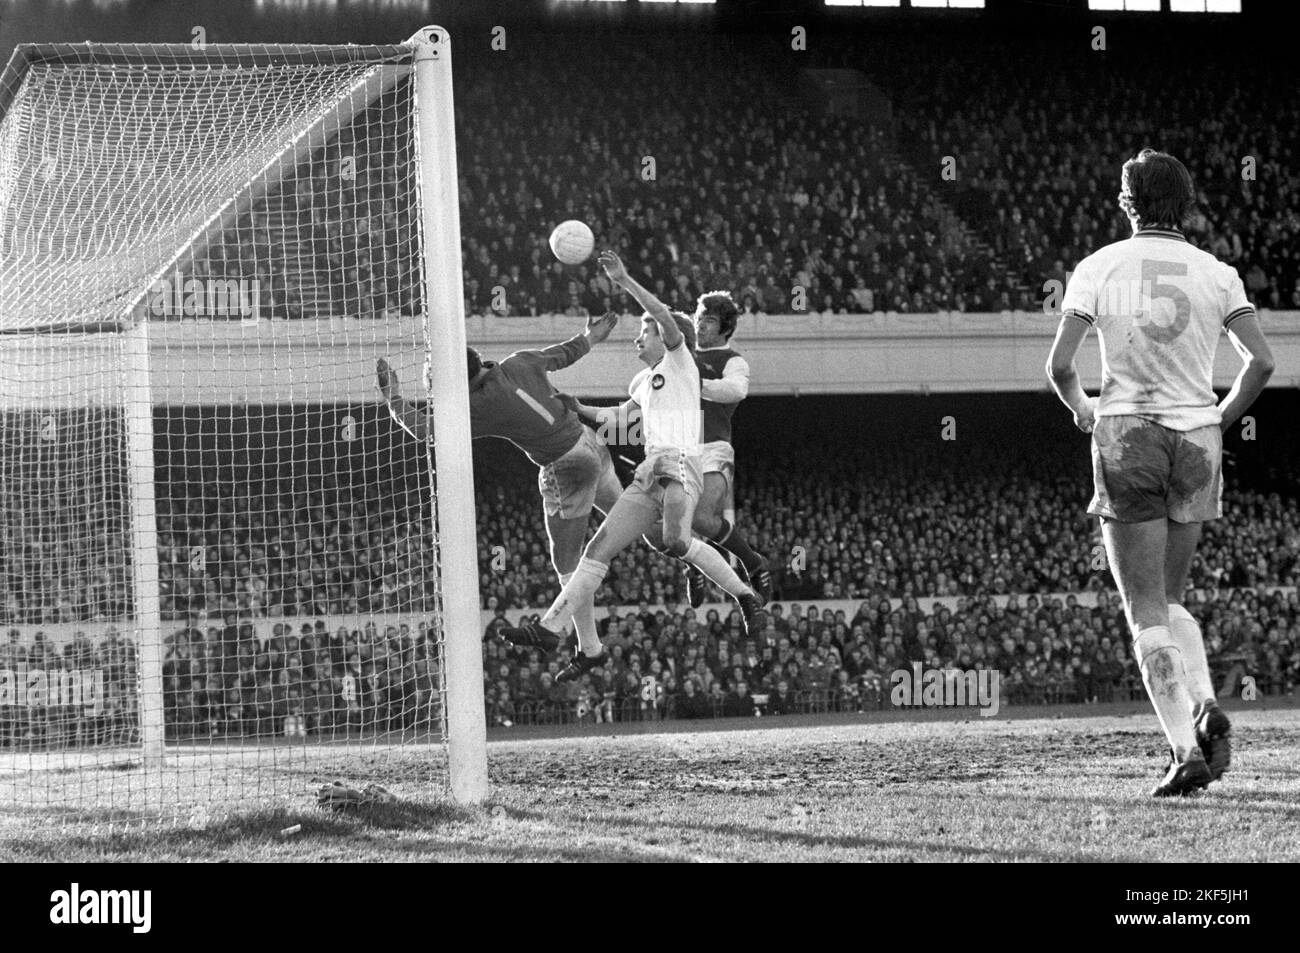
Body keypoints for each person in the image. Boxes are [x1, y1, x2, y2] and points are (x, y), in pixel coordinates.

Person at [1047, 148, 1274, 797]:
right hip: (1196, 436)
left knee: (1143, 606)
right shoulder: (1217, 272)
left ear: (1127, 201)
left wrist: (1086, 411)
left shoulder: (1098, 267)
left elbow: (1060, 366)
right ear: (1189, 200)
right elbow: (1259, 363)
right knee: (1172, 600)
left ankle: (1184, 750)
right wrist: (1218, 418)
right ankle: (1205, 704)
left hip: (1130, 433)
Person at [496, 250, 765, 682]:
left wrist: (624, 280)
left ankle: (744, 594)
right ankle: (550, 629)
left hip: (680, 464)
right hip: (649, 473)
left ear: (667, 335)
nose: (638, 339)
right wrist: (576, 407)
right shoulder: (643, 380)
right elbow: (617, 420)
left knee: (675, 542)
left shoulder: (681, 362)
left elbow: (661, 312)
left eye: (645, 332)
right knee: (597, 550)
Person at [376, 312, 622, 631]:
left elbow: (425, 430)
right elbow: (563, 354)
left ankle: (585, 645)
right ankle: (690, 545)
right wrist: (590, 337)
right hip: (589, 442)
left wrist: (394, 398)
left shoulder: (479, 406)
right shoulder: (519, 361)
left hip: (566, 466)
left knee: (566, 560)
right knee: (632, 515)